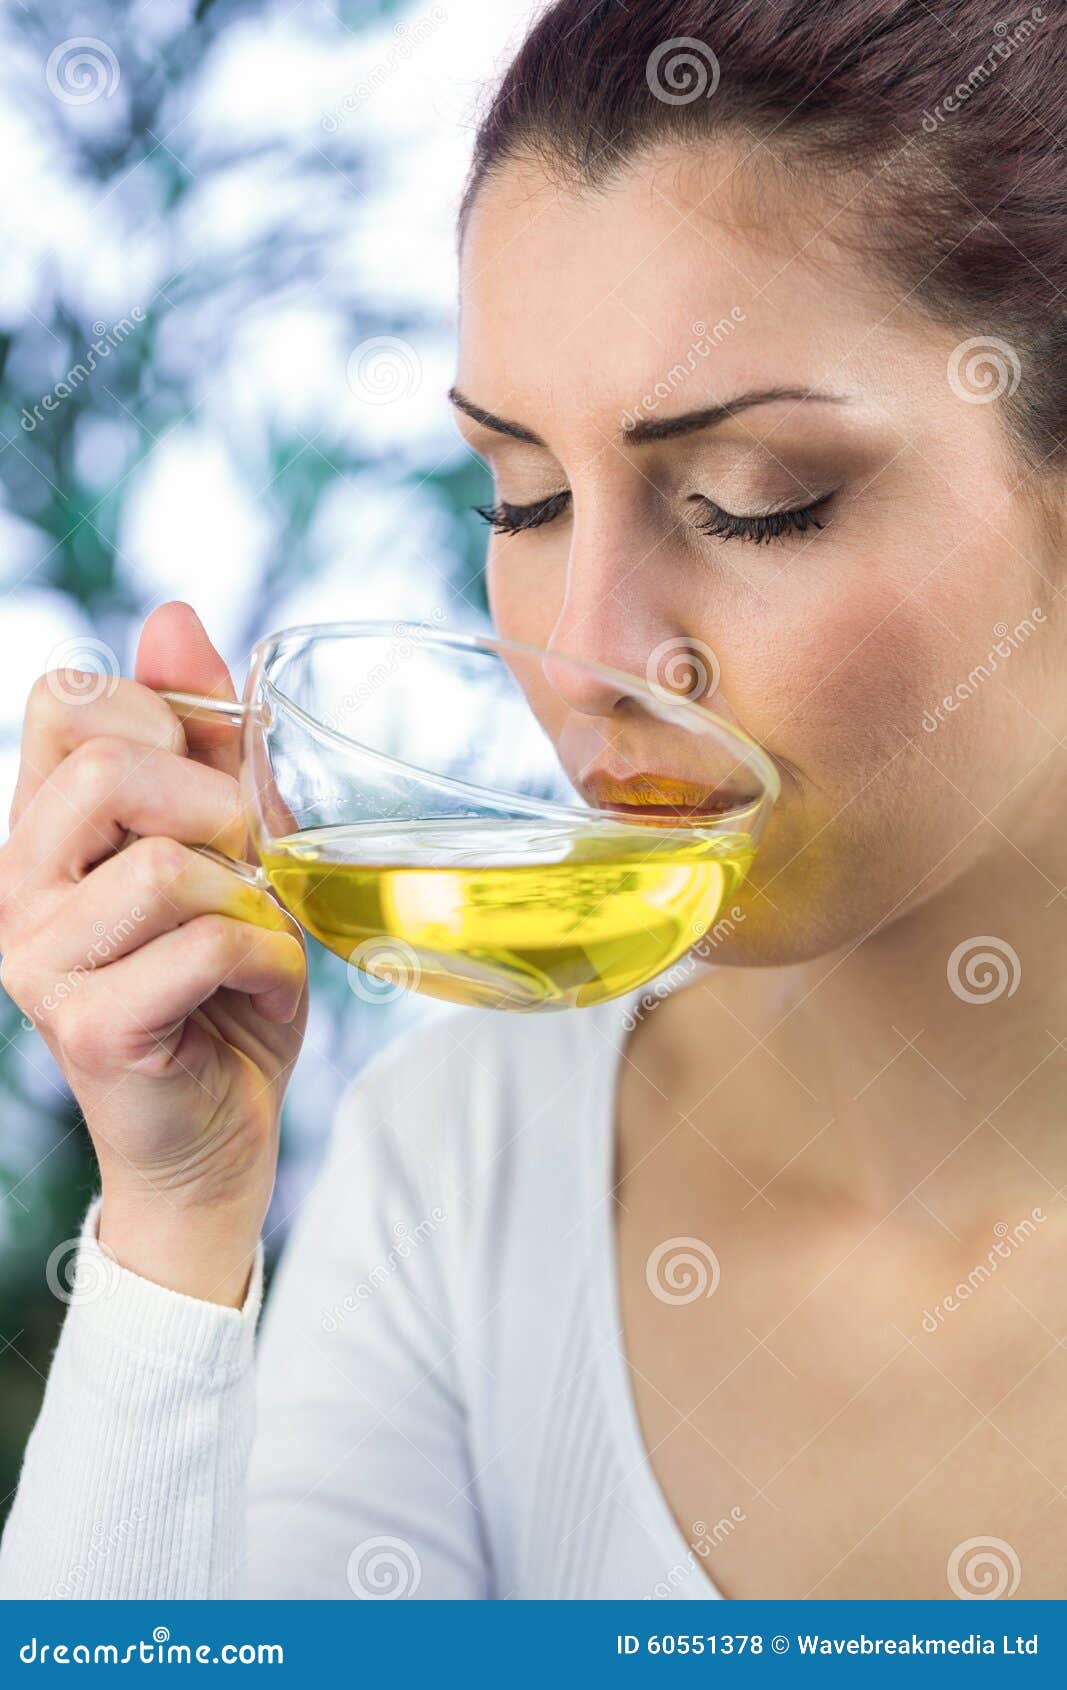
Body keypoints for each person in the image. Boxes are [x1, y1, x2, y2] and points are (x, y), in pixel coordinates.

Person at [1, 0, 1065, 1600]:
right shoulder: (466, 1173)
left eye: (752, 504)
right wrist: (175, 1216)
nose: (583, 659)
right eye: (528, 499)